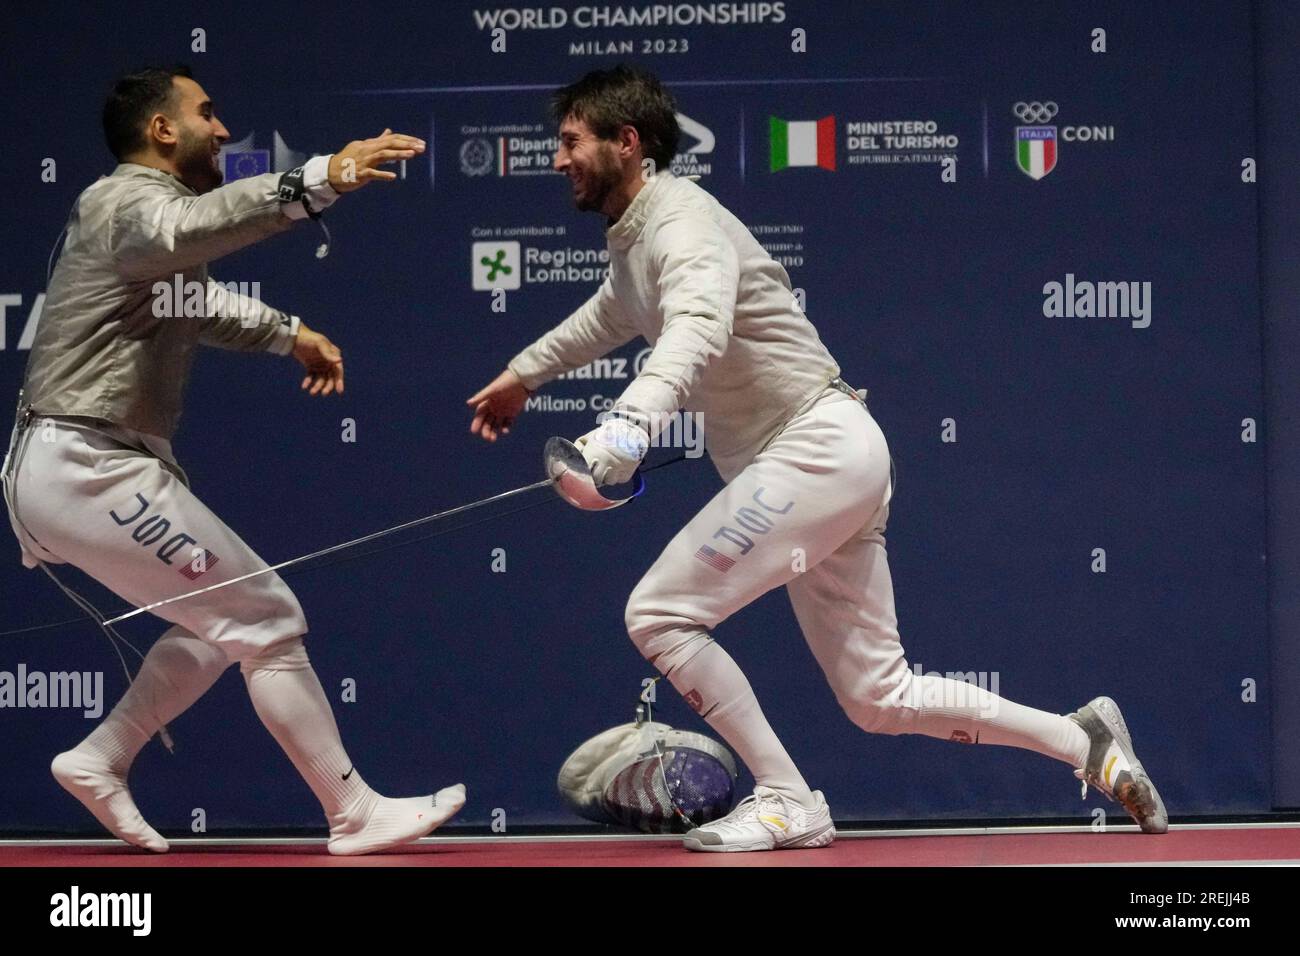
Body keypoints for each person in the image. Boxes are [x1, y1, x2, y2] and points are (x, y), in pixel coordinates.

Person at [467, 65, 1167, 851]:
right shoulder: (636, 243)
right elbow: (609, 315)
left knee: (658, 614)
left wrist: (627, 428)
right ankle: (1084, 742)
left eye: (570, 142)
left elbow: (694, 328)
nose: (558, 158)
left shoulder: (682, 224)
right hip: (827, 464)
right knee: (880, 695)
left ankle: (786, 796)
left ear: (626, 143)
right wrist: (524, 374)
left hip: (814, 448)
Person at [2, 65, 463, 854]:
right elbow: (194, 231)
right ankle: (354, 813)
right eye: (207, 115)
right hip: (85, 462)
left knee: (220, 627)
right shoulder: (127, 204)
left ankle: (100, 758)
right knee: (270, 618)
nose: (222, 131)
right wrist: (321, 177)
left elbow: (196, 301)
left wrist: (291, 334)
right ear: (162, 130)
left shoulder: (146, 224)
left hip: (82, 465)